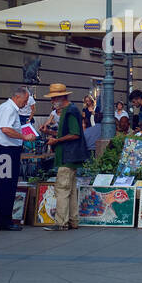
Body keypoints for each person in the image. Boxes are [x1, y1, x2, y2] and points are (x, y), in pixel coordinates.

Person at [45, 83, 86, 231]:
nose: (52, 102)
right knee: (70, 189)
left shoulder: (69, 111)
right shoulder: (69, 110)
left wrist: (56, 140)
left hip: (68, 156)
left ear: (62, 97)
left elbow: (75, 134)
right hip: (70, 156)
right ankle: (72, 220)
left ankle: (61, 222)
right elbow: (68, 133)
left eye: (54, 98)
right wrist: (51, 134)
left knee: (62, 189)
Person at [0, 86, 31, 231]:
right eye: (25, 100)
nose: (26, 103)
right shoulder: (9, 108)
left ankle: (1, 217)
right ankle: (4, 221)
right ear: (17, 97)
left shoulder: (7, 107)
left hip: (7, 151)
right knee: (7, 185)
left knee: (5, 184)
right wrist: (23, 136)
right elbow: (6, 129)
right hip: (7, 151)